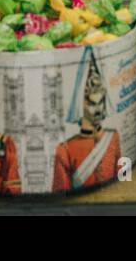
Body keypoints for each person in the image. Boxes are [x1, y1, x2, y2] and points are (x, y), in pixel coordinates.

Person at [52, 56, 121, 191]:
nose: (98, 109)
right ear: (79, 105)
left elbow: (124, 174)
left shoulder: (113, 137)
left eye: (101, 102)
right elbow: (62, 191)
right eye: (91, 103)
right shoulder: (65, 149)